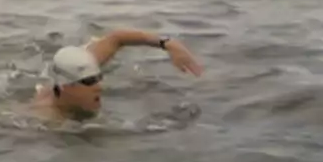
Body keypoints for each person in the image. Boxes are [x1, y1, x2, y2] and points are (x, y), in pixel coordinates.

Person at [31, 28, 204, 121]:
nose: (99, 87)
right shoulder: (43, 120)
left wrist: (168, 44)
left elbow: (117, 38)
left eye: (98, 77)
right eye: (90, 81)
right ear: (62, 88)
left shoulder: (82, 67)